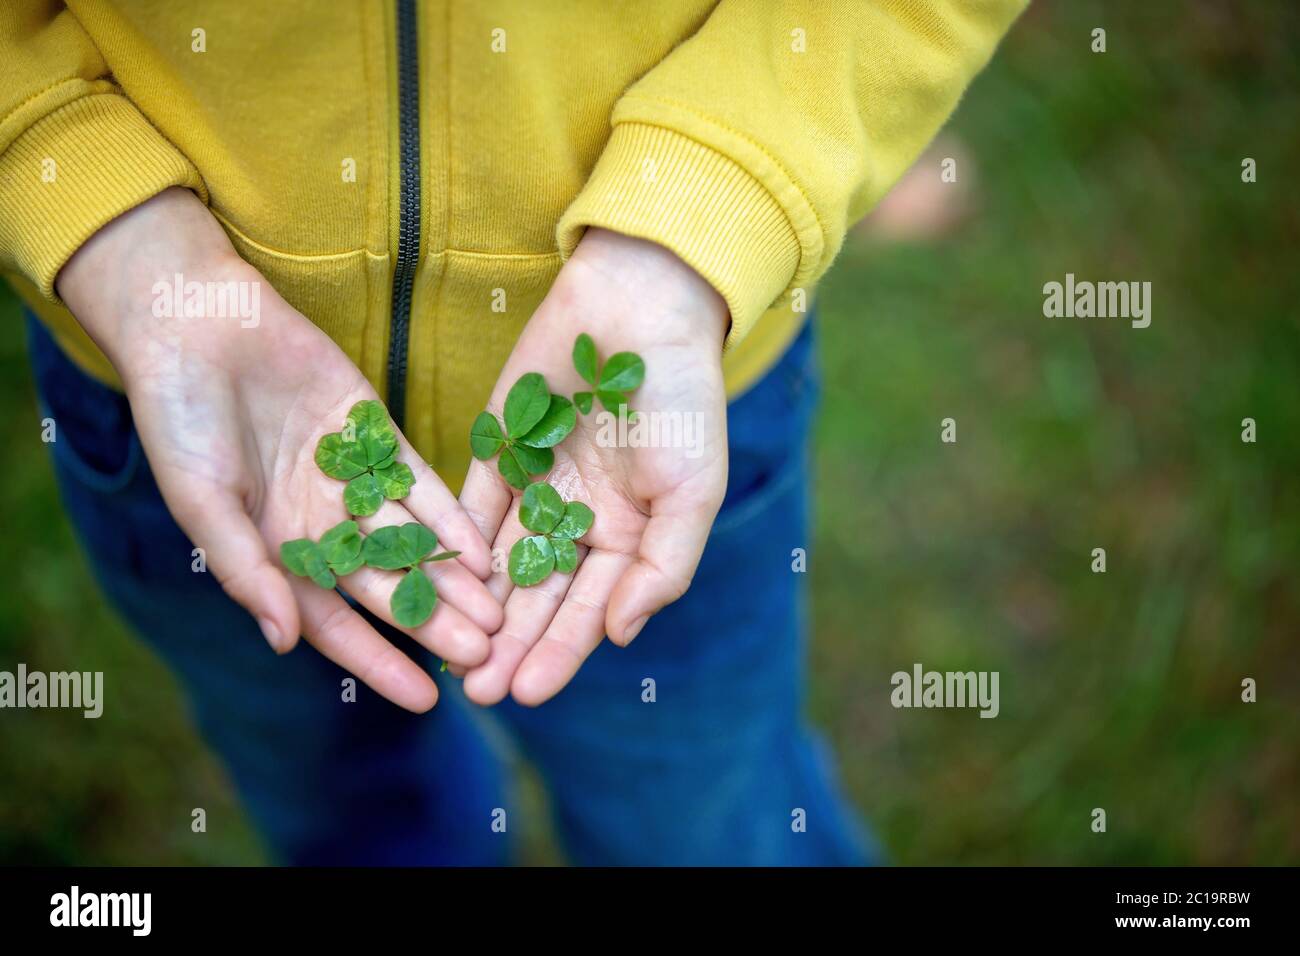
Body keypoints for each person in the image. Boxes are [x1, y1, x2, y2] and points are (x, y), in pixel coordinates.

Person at [1, 1, 1026, 864]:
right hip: (183, 415)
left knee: (702, 818)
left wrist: (715, 202)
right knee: (343, 809)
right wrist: (98, 215)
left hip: (668, 408)